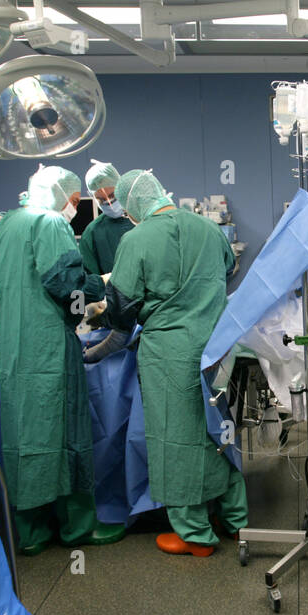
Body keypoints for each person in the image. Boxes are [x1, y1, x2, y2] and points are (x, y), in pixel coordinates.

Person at [103, 170, 248, 557]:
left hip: (170, 353)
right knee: (219, 430)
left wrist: (110, 333)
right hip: (216, 348)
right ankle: (236, 519)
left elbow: (121, 307)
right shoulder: (209, 229)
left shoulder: (136, 239)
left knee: (177, 439)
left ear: (131, 204)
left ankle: (195, 534)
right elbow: (228, 272)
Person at [0, 165, 125, 555]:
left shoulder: (8, 223)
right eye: (75, 200)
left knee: (25, 432)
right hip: (47, 344)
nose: (75, 208)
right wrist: (96, 286)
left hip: (15, 346)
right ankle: (78, 527)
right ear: (61, 196)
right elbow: (66, 288)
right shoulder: (49, 223)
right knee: (64, 430)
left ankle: (32, 532)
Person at [79, 160, 135, 363]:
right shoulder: (93, 233)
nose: (110, 203)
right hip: (116, 319)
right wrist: (95, 307)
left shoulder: (143, 220)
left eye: (112, 195)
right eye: (102, 199)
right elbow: (86, 281)